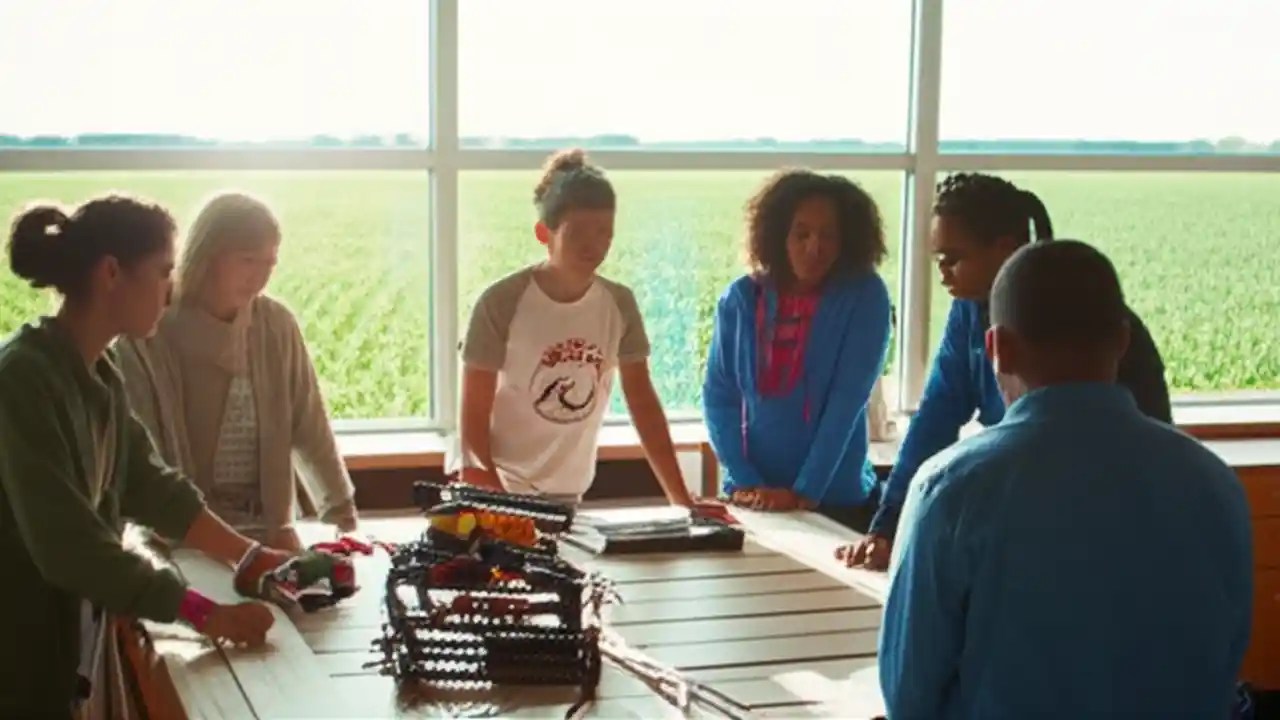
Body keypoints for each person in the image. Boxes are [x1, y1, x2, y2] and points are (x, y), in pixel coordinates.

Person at [877, 239, 1252, 719]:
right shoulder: (1213, 482)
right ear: (1122, 340)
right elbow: (1223, 666)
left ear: (997, 348)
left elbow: (908, 697)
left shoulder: (951, 489)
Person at [1, 196, 293, 717]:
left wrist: (250, 556)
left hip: (56, 649)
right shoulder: (22, 380)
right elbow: (71, 546)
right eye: (163, 272)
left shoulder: (98, 374)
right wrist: (205, 614)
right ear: (112, 273)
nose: (171, 289)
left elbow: (151, 486)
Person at [840, 172, 1171, 569]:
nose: (943, 271)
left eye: (953, 258)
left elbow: (1142, 445)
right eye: (938, 259)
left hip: (1112, 522)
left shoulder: (1086, 319)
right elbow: (936, 417)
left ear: (1005, 249)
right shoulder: (968, 313)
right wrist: (888, 526)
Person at [458, 149, 714, 512]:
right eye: (577, 233)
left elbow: (642, 402)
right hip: (500, 483)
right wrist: (489, 490)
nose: (593, 245)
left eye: (604, 233)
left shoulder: (619, 304)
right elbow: (473, 410)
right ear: (543, 233)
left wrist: (682, 500)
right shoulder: (501, 302)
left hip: (568, 491)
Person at [118, 192, 358, 552]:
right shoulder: (149, 331)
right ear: (206, 256)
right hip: (179, 534)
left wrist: (344, 518)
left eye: (270, 264)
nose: (259, 276)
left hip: (269, 527)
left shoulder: (275, 325)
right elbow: (141, 456)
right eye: (248, 261)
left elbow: (310, 426)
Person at [702, 170, 891, 530]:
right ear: (778, 236)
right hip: (752, 497)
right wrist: (746, 480)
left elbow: (847, 401)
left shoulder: (865, 295)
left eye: (828, 236)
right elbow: (719, 397)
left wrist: (805, 492)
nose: (814, 247)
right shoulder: (740, 298)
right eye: (801, 234)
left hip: (836, 499)